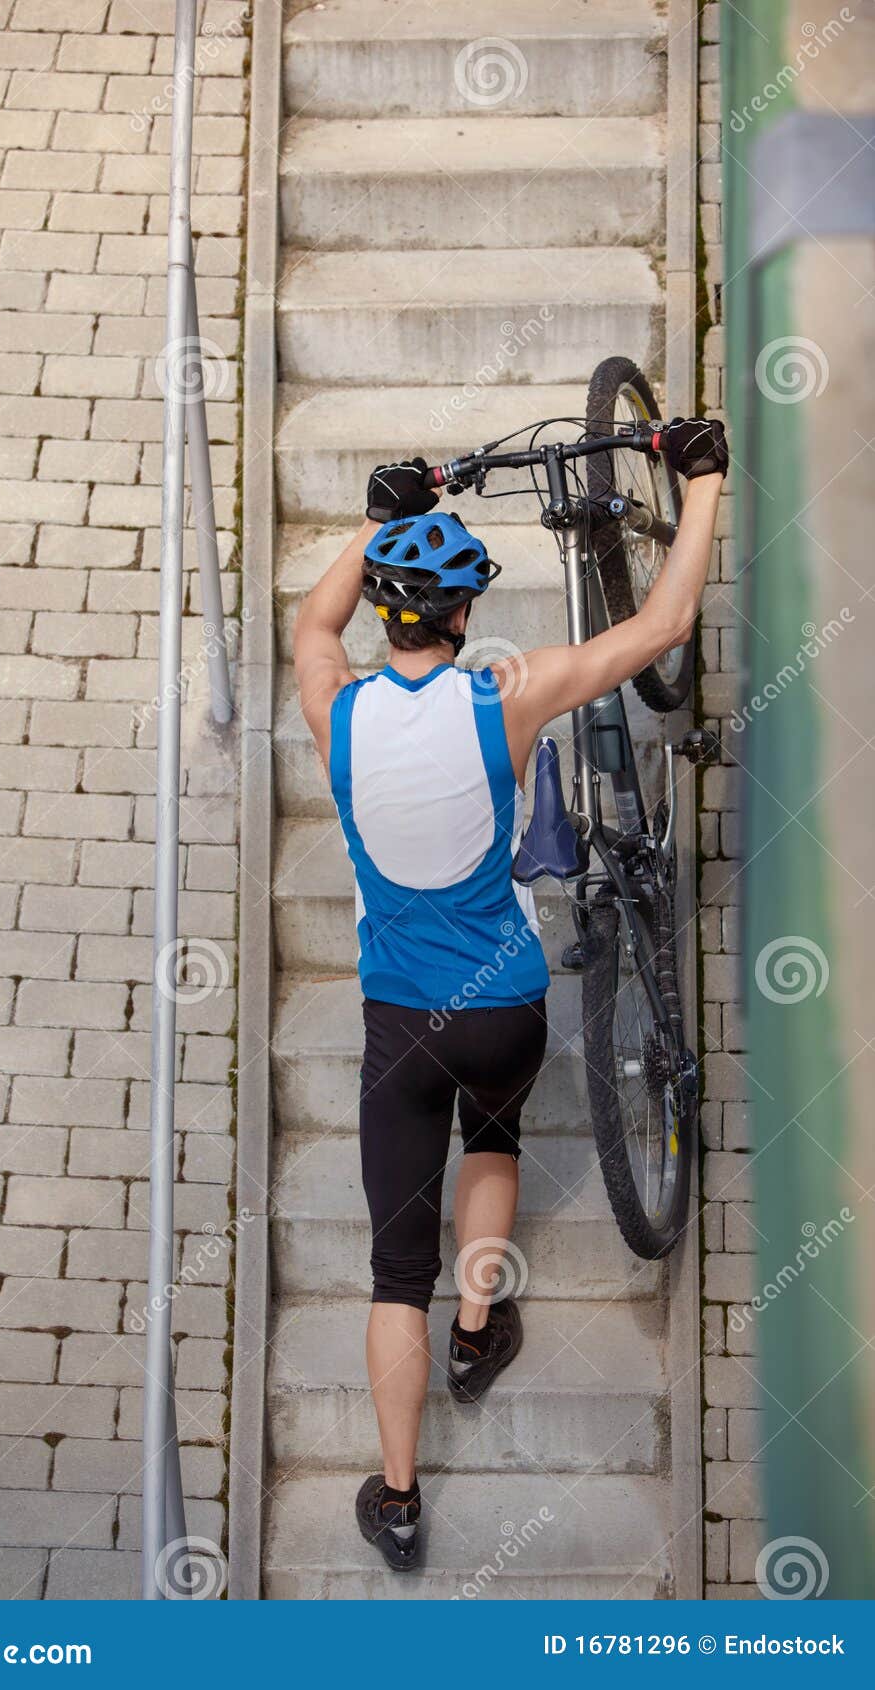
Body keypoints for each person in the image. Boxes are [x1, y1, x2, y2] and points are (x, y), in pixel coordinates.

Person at [292, 420, 728, 1571]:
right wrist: (702, 482)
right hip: (506, 1007)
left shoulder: (331, 709)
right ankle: (478, 1333)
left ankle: (394, 1496)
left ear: (386, 614)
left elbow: (308, 623)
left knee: (396, 1273)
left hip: (398, 1023)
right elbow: (663, 626)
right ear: (459, 619)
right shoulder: (512, 696)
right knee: (492, 1133)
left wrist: (378, 522)